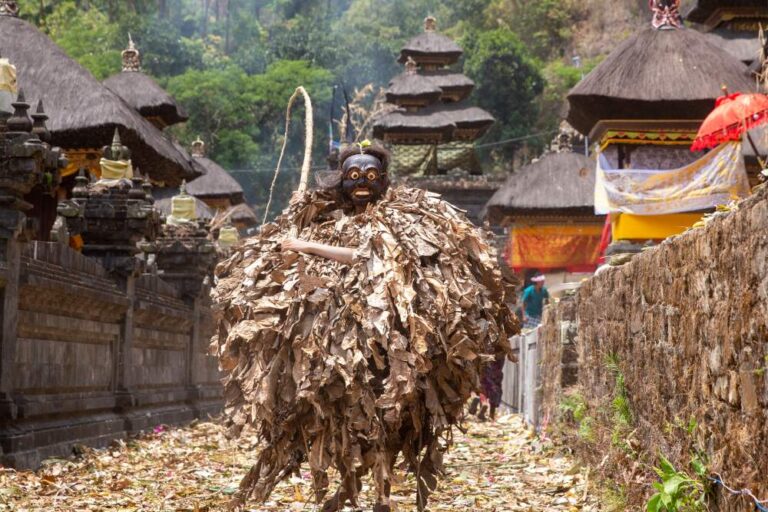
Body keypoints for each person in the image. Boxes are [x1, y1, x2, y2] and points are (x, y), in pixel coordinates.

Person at [212, 141, 516, 512]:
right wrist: (289, 255)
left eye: (370, 176)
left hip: (388, 335)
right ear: (341, 179)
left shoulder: (398, 218)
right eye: (354, 175)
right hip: (328, 341)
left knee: (386, 418)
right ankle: (350, 485)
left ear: (383, 179)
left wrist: (308, 246)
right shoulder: (321, 218)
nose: (362, 183)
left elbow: (370, 257)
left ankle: (381, 495)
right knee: (337, 416)